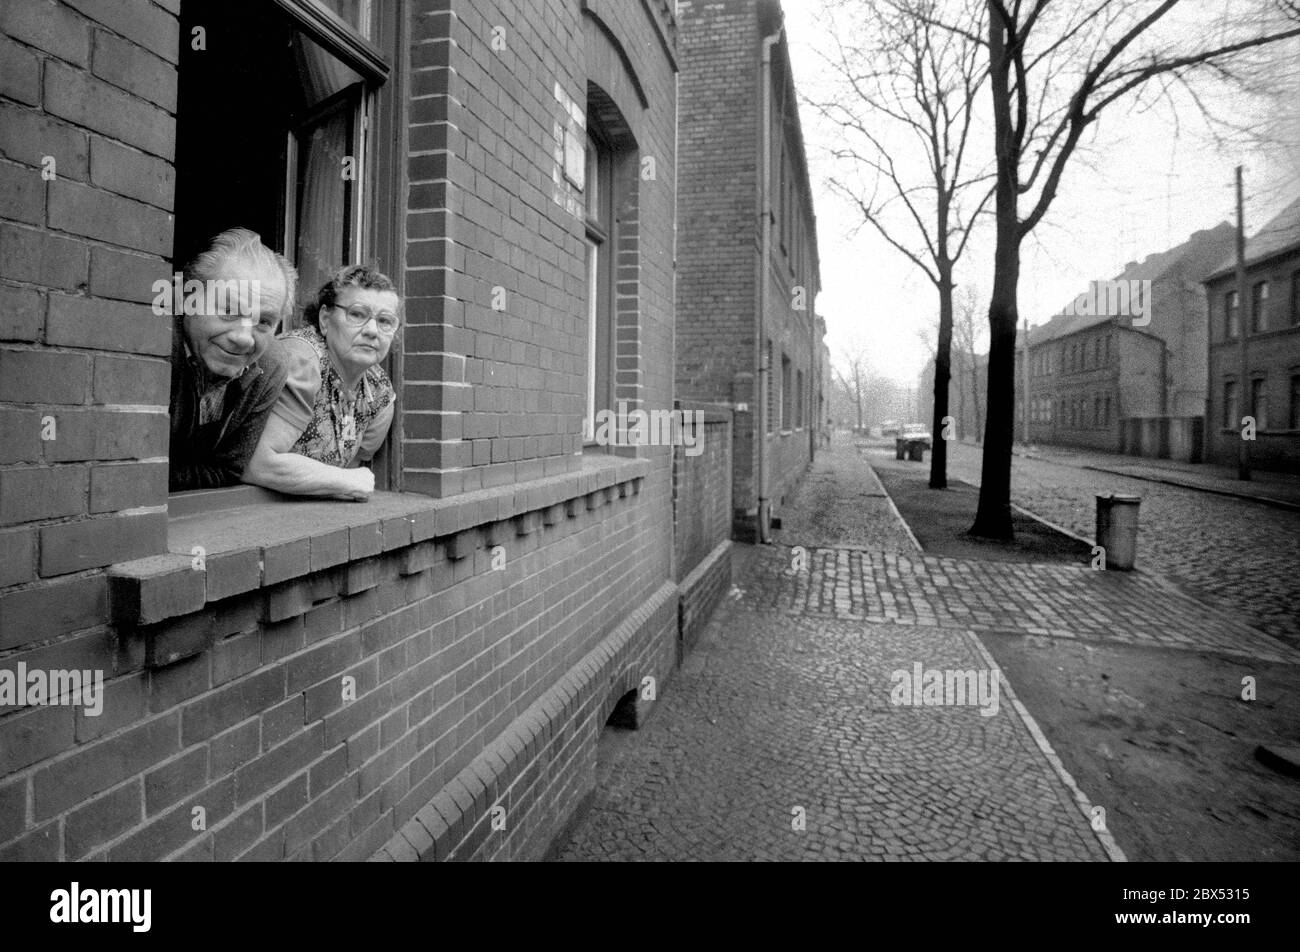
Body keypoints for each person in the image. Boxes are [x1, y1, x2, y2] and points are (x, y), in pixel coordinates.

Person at [242, 265, 400, 500]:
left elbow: (353, 469)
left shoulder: (380, 392)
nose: (372, 331)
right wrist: (346, 480)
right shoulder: (300, 360)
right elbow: (256, 464)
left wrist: (346, 480)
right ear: (325, 319)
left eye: (385, 321)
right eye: (357, 314)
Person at [168, 228, 294, 491]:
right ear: (186, 298)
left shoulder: (272, 363)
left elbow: (229, 469)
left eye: (265, 322)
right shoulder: (152, 345)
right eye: (228, 311)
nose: (244, 338)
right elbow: (128, 465)